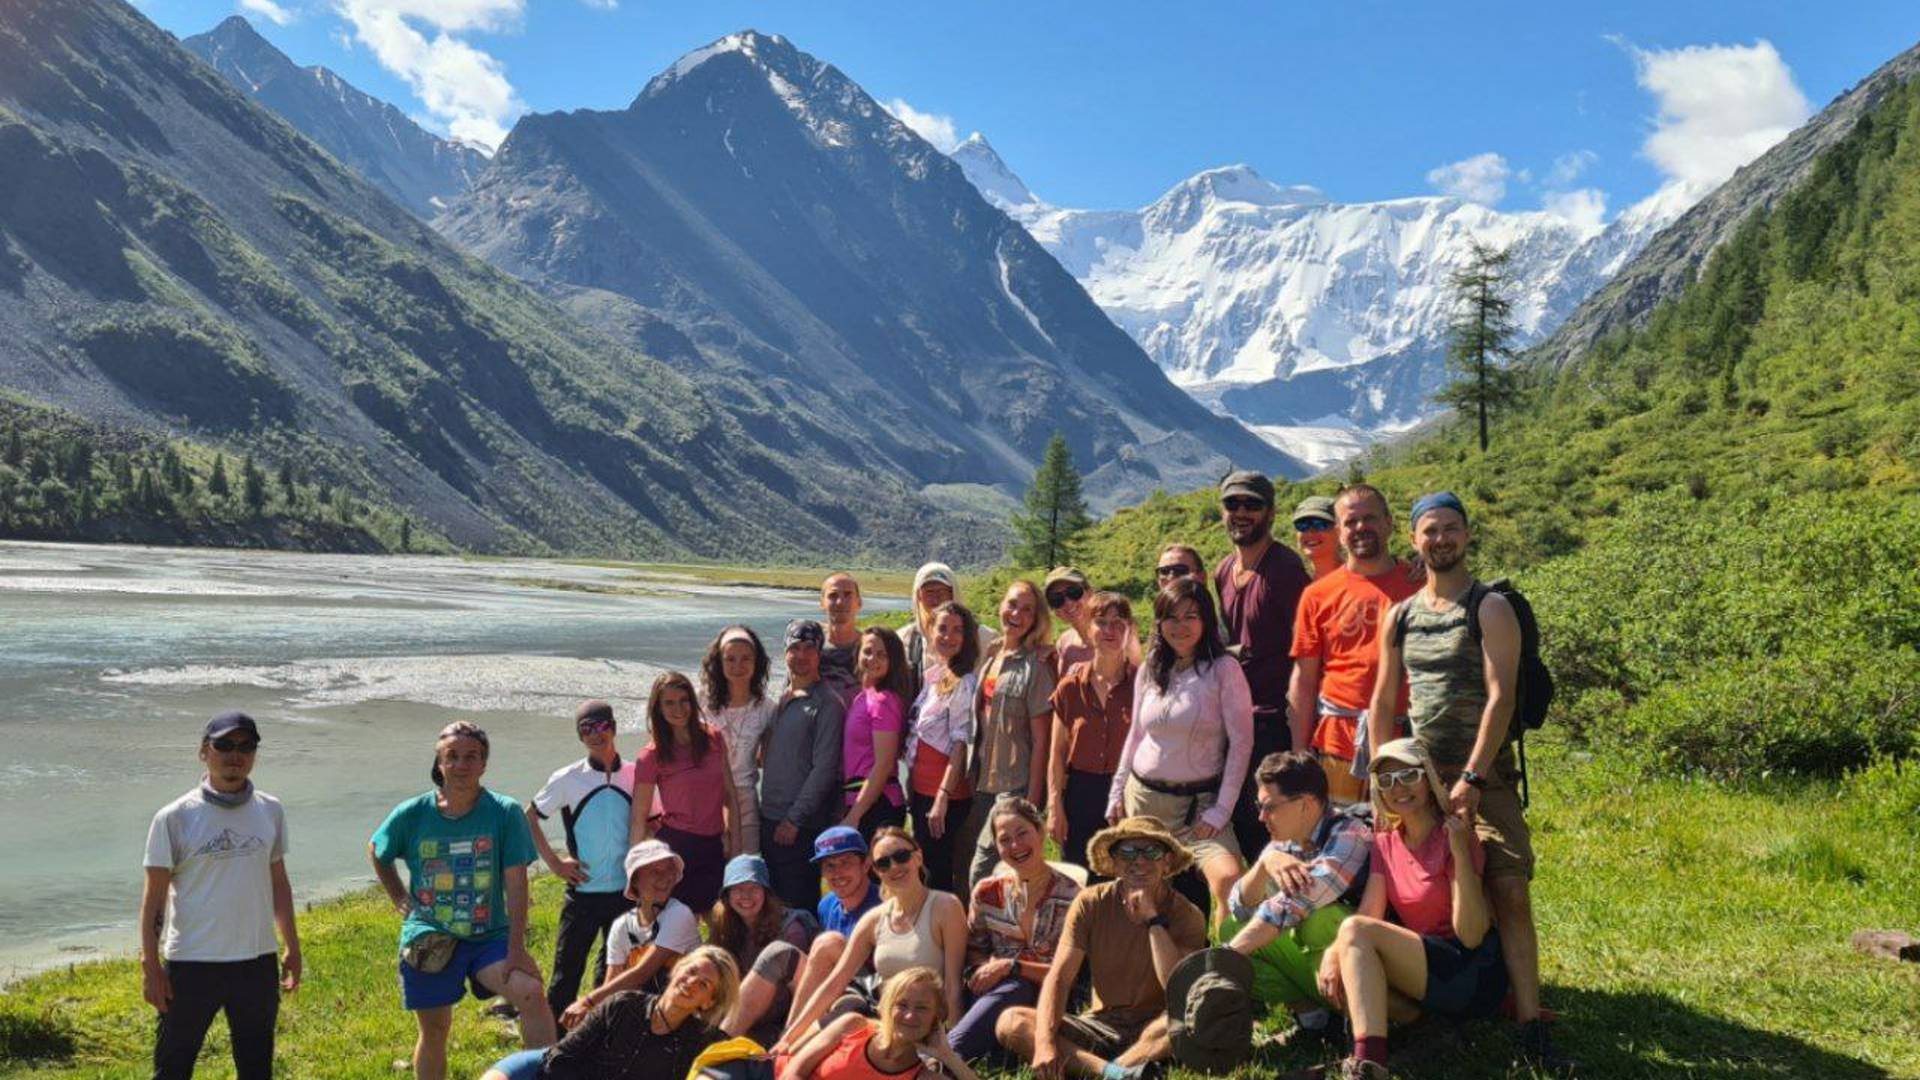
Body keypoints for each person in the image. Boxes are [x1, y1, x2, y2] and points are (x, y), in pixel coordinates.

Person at [1368, 491, 1566, 1069]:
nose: (1441, 539)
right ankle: (1433, 999)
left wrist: (1475, 776)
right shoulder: (1400, 616)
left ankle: (1529, 1024)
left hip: (1485, 775)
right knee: (1418, 890)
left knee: (1508, 886)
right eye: (1430, 530)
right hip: (1420, 776)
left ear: (1467, 534)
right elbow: (1382, 702)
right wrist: (1383, 779)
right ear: (1413, 540)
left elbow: (1501, 696)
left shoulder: (1490, 607)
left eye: (1451, 528)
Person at [1310, 739, 1504, 1080]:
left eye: (1408, 776)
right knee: (1347, 965)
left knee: (1353, 932)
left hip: (1471, 970)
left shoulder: (1456, 835)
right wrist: (1334, 952)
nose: (1397, 788)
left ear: (1428, 779)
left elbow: (1472, 936)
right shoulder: (1385, 842)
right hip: (1427, 967)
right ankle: (1430, 1030)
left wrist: (1460, 852)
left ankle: (1368, 1065)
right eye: (1386, 781)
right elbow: (1369, 912)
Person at [369, 721, 553, 1080]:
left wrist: (517, 948)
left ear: (484, 764)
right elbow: (378, 850)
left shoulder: (504, 812)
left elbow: (517, 884)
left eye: (471, 757)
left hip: (489, 937)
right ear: (439, 763)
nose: (461, 765)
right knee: (435, 1029)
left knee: (531, 993)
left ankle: (544, 1075)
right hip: (431, 936)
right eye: (451, 756)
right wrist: (398, 896)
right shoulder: (413, 812)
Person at [141, 711, 299, 1080]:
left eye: (245, 746)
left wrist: (292, 946)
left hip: (256, 961)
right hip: (192, 962)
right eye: (224, 745)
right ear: (204, 751)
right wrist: (150, 966)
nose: (235, 755)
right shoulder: (174, 817)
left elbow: (279, 883)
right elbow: (154, 898)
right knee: (173, 1067)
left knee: (256, 1066)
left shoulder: (270, 810)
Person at [993, 817, 1208, 1080]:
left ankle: (1103, 1069)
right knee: (1011, 1021)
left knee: (1191, 1019)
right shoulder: (1091, 902)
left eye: (1152, 852)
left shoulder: (1188, 915)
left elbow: (1178, 988)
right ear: (1115, 863)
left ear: (1167, 862)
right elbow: (1060, 978)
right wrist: (1045, 1043)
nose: (1139, 861)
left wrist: (1153, 920)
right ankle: (1114, 1073)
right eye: (1128, 852)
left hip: (1157, 1026)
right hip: (1100, 1025)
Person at [1108, 576, 1251, 922]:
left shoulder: (1224, 669)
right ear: (1159, 623)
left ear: (1206, 620)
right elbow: (1136, 734)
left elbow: (1242, 743)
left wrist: (1221, 810)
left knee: (1229, 881)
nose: (1180, 626)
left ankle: (1224, 954)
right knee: (1145, 898)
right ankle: (1152, 955)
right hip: (1144, 800)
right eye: (1171, 617)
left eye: (1191, 616)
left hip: (1199, 807)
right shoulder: (1151, 667)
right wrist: (1116, 791)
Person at [1222, 751, 1370, 1048]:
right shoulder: (1285, 842)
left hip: (1369, 968)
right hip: (1323, 966)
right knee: (1231, 929)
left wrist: (1224, 959)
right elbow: (1239, 909)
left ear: (1306, 804)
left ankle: (1363, 1023)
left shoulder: (1350, 834)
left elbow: (1293, 904)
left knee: (1319, 921)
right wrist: (1263, 865)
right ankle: (1316, 1019)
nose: (1261, 817)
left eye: (1269, 807)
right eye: (1259, 806)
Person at [1289, 485, 1424, 804]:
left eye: (1370, 518)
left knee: (1408, 829)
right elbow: (1304, 679)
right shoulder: (1317, 595)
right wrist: (1299, 750)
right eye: (1350, 522)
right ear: (1339, 531)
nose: (1361, 527)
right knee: (1344, 832)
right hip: (1339, 744)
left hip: (1409, 742)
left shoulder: (1421, 584)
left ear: (1389, 523)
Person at [779, 828, 968, 1047]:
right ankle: (779, 1053)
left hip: (925, 1023)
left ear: (918, 857)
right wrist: (790, 1036)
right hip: (885, 1019)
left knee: (841, 1029)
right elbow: (835, 982)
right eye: (884, 863)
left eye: (901, 856)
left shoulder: (945, 906)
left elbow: (953, 986)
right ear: (876, 871)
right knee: (814, 1038)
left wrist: (953, 1046)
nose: (894, 866)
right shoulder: (874, 919)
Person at [1214, 469, 1313, 865]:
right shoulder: (1224, 571)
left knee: (1272, 829)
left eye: (1252, 505)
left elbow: (1306, 653)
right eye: (1232, 504)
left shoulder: (1285, 571)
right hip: (1235, 721)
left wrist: (1299, 738)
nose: (1241, 512)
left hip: (1274, 725)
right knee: (1241, 824)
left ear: (1271, 513)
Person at [528, 700, 637, 1021]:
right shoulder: (568, 778)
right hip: (583, 893)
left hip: (625, 893)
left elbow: (654, 821)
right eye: (586, 729)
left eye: (601, 725)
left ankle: (598, 1035)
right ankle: (555, 1040)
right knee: (566, 974)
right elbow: (529, 817)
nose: (595, 734)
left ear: (613, 727)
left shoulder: (635, 774)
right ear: (579, 735)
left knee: (611, 974)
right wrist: (555, 863)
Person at [481, 946, 739, 1080]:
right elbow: (561, 1059)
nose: (691, 982)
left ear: (709, 1002)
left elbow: (745, 1063)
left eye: (704, 984)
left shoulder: (704, 1042)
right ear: (677, 969)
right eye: (691, 971)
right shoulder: (622, 1006)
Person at [951, 798, 1081, 1061]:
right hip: (995, 989)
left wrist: (1012, 967)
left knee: (1018, 986)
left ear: (1040, 831)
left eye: (1022, 833)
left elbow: (1071, 974)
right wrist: (986, 970)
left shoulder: (1074, 897)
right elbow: (974, 949)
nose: (1015, 845)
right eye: (1005, 839)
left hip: (1051, 995)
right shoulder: (987, 892)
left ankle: (945, 1057)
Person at [962, 581, 1057, 891]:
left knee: (981, 869)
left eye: (1027, 610)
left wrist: (1032, 801)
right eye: (1012, 604)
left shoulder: (1036, 667)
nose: (1017, 614)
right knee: (990, 871)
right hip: (982, 781)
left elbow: (1042, 741)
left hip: (1013, 786)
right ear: (1001, 604)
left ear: (1036, 619)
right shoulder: (992, 653)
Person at [560, 840, 703, 1027]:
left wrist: (588, 1002)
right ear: (635, 880)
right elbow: (612, 984)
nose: (665, 877)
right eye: (655, 871)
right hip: (641, 1015)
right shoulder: (621, 926)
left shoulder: (679, 914)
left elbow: (643, 972)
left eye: (669, 870)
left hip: (682, 1014)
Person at [631, 671, 739, 912]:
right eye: (669, 703)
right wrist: (636, 867)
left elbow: (730, 795)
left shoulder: (713, 737)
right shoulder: (651, 755)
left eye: (684, 700)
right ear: (658, 708)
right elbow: (639, 816)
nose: (678, 709)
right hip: (677, 847)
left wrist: (734, 843)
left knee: (721, 920)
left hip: (715, 844)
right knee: (677, 922)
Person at [761, 619, 849, 910]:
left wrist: (794, 819)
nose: (801, 655)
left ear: (819, 654)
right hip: (769, 816)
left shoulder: (827, 704)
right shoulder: (781, 696)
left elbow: (824, 769)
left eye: (809, 648)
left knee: (799, 907)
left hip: (799, 825)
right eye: (794, 648)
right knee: (772, 905)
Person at [1046, 592, 1136, 871]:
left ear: (1129, 629)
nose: (1110, 630)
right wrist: (1055, 805)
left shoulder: (1143, 685)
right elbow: (1057, 753)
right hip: (1080, 795)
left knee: (1125, 877)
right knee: (1078, 877)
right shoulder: (1070, 687)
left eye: (1118, 623)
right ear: (1088, 627)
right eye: (1101, 622)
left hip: (1127, 794)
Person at [778, 967, 980, 1080]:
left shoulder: (922, 1077)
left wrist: (947, 1056)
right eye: (901, 1005)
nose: (910, 1016)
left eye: (922, 1008)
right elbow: (792, 1072)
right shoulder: (853, 1026)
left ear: (935, 1018)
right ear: (886, 1007)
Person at [904, 602, 981, 893]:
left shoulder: (964, 682)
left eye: (958, 630)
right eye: (943, 628)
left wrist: (943, 797)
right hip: (922, 791)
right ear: (931, 631)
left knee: (937, 877)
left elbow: (961, 743)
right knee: (924, 870)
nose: (949, 636)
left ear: (967, 637)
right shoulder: (934, 676)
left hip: (944, 796)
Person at [786, 827, 885, 1035]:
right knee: (780, 952)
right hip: (837, 989)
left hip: (872, 996)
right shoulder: (827, 904)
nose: (837, 873)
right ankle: (725, 1034)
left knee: (828, 943)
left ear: (866, 864)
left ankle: (789, 1036)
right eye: (829, 866)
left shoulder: (883, 905)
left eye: (846, 863)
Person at [714, 854, 819, 1045]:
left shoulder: (791, 929)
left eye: (753, 888)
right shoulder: (726, 926)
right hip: (746, 1014)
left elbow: (789, 994)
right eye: (738, 889)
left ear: (766, 892)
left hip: (785, 1021)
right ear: (727, 896)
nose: (746, 896)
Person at [703, 625, 777, 854]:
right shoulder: (701, 702)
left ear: (757, 662)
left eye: (746, 658)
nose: (738, 666)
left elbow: (770, 759)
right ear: (719, 662)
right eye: (730, 659)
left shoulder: (767, 708)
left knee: (745, 866)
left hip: (745, 799)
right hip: (707, 796)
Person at [842, 627, 913, 836]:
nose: (872, 659)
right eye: (867, 651)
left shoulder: (883, 701)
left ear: (893, 660)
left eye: (882, 655)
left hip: (878, 805)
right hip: (862, 800)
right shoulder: (863, 697)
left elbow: (884, 764)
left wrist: (854, 815)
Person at [899, 563, 997, 685]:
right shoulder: (905, 640)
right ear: (919, 596)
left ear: (953, 593)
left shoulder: (985, 638)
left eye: (942, 591)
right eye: (929, 592)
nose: (936, 599)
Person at [1046, 567, 1142, 675]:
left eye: (1074, 592)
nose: (1068, 602)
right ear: (1055, 611)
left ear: (1090, 592)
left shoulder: (1119, 637)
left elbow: (1136, 679)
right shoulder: (1064, 643)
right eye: (1057, 599)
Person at [821, 573, 865, 704]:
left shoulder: (872, 651)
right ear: (822, 603)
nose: (840, 602)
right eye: (833, 595)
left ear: (859, 602)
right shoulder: (809, 649)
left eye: (848, 595)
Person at [1292, 495, 1342, 580]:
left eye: (1320, 524)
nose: (1310, 532)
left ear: (1339, 530)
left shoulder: (1359, 579)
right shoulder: (1297, 582)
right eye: (1302, 525)